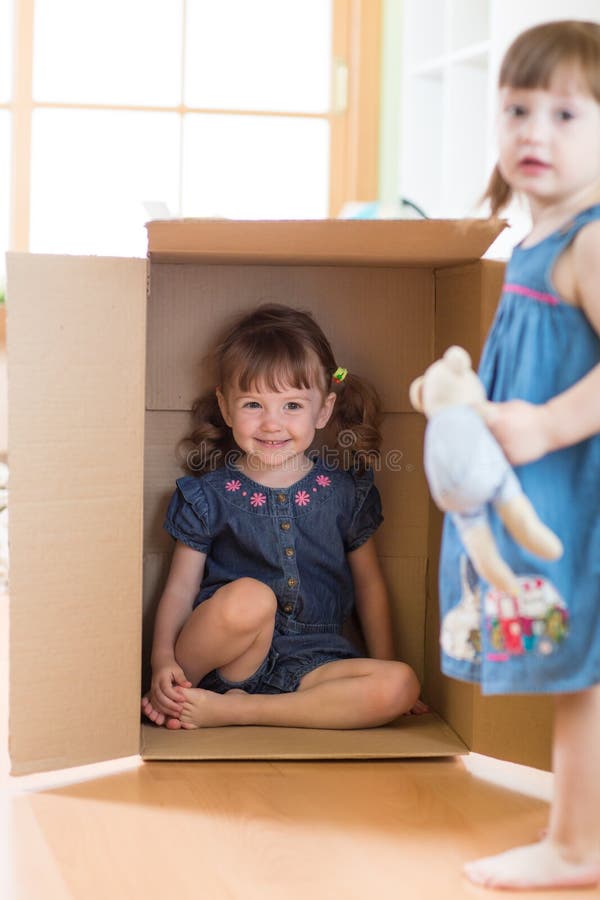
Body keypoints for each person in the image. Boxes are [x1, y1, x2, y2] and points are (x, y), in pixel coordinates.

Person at [438, 20, 600, 891]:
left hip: (580, 487)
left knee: (586, 673)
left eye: (568, 114)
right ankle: (574, 837)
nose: (535, 130)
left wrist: (544, 427)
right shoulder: (534, 242)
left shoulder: (589, 241)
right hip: (549, 497)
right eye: (517, 108)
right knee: (576, 668)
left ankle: (579, 846)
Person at [141, 303, 423, 735]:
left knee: (399, 682)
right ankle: (180, 694)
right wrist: (163, 660)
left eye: (292, 405)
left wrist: (380, 662)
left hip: (316, 664)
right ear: (225, 405)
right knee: (251, 598)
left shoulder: (345, 492)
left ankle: (238, 712)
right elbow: (179, 589)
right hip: (231, 657)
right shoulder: (209, 495)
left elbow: (370, 586)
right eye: (254, 403)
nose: (272, 424)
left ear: (323, 410)